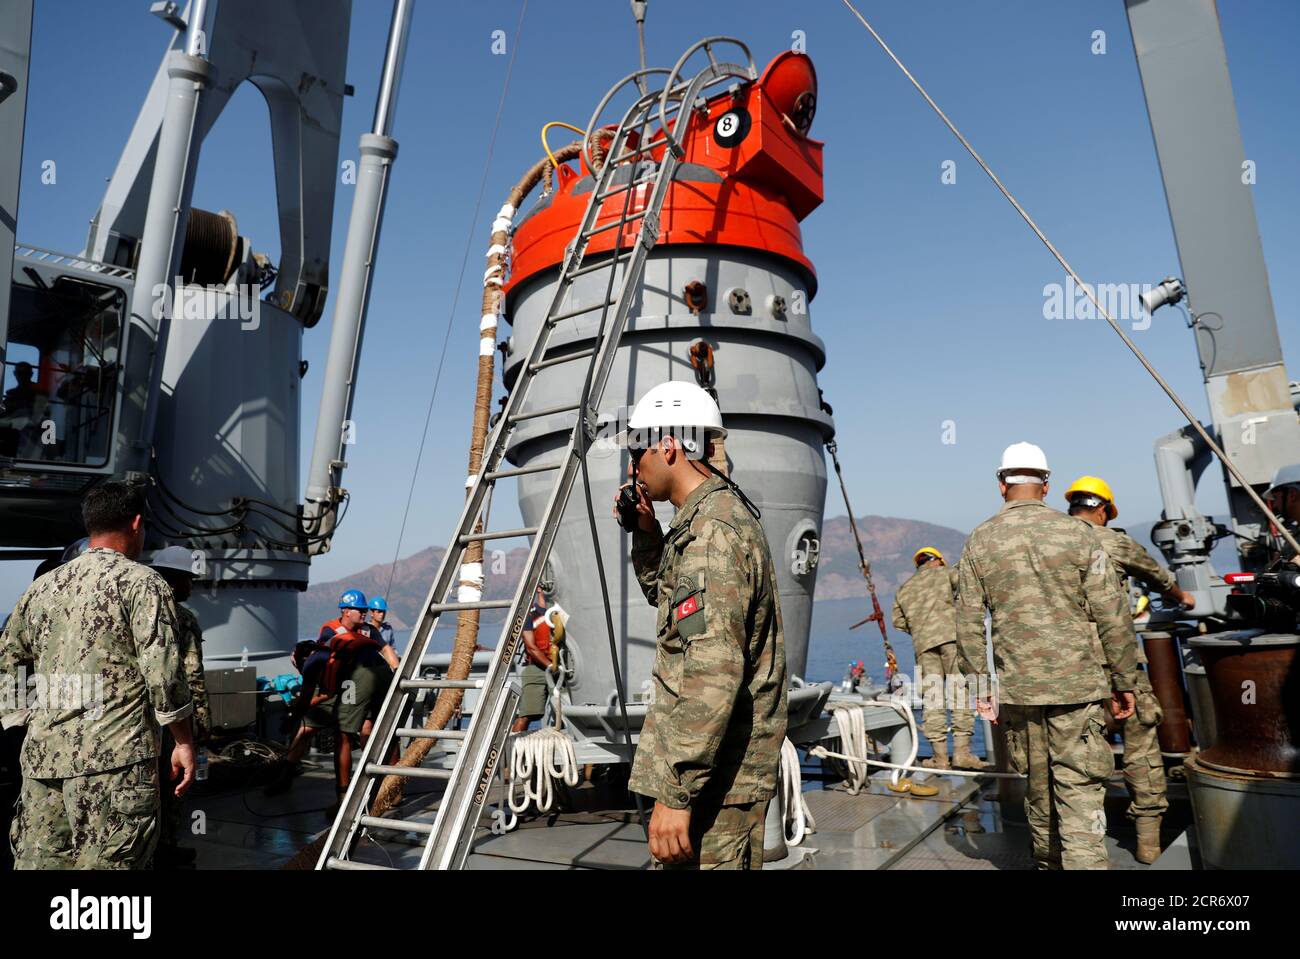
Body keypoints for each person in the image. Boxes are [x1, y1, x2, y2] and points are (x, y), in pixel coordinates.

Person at [616, 381, 786, 870]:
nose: (634, 467)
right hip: (709, 771)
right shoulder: (703, 521)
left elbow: (715, 671)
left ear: (669, 445)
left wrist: (675, 793)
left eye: (637, 450)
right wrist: (647, 533)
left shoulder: (712, 534)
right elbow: (667, 600)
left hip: (717, 779)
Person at [954, 443, 1139, 870]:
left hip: (1020, 692)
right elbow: (1112, 614)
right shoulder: (1078, 534)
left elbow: (966, 622)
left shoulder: (980, 540)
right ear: (1047, 486)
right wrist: (1123, 680)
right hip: (1078, 687)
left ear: (1002, 485)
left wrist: (981, 688)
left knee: (1039, 789)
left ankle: (1049, 864)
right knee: (1079, 789)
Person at [0, 481, 195, 869]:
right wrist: (184, 741)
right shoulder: (143, 584)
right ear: (137, 524)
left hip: (43, 763)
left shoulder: (41, 589)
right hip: (115, 764)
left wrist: (22, 721)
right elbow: (164, 675)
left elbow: (9, 661)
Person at [1064, 475, 1194, 864]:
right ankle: (1148, 840)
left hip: (1069, 667)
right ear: (1103, 510)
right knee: (1140, 740)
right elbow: (1158, 576)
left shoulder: (1052, 541)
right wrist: (1181, 596)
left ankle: (1080, 843)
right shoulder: (1114, 540)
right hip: (1118, 660)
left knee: (1076, 750)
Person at [270, 590, 397, 799]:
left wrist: (397, 669)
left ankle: (368, 789)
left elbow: (386, 650)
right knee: (308, 726)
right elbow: (327, 678)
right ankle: (286, 775)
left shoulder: (368, 631)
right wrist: (303, 710)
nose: (364, 614)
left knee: (358, 730)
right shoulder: (330, 632)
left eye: (366, 611)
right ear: (346, 611)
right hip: (340, 681)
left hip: (355, 681)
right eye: (361, 610)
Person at [892, 546, 985, 771]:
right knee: (959, 692)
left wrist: (922, 630)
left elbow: (898, 621)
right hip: (952, 640)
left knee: (933, 698)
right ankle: (962, 754)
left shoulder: (905, 589)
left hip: (923, 646)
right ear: (938, 561)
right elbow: (968, 586)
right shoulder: (946, 574)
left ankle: (940, 759)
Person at [149, 546, 211, 869]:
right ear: (174, 580)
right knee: (174, 781)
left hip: (144, 716)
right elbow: (192, 673)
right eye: (187, 579)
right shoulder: (183, 619)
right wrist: (201, 718)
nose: (191, 586)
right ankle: (167, 846)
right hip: (175, 718)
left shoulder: (144, 610)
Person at [513, 586, 553, 734]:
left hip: (557, 668)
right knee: (527, 715)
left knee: (564, 708)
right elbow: (531, 648)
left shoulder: (550, 612)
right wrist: (551, 666)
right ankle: (512, 747)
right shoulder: (527, 616)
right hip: (537, 669)